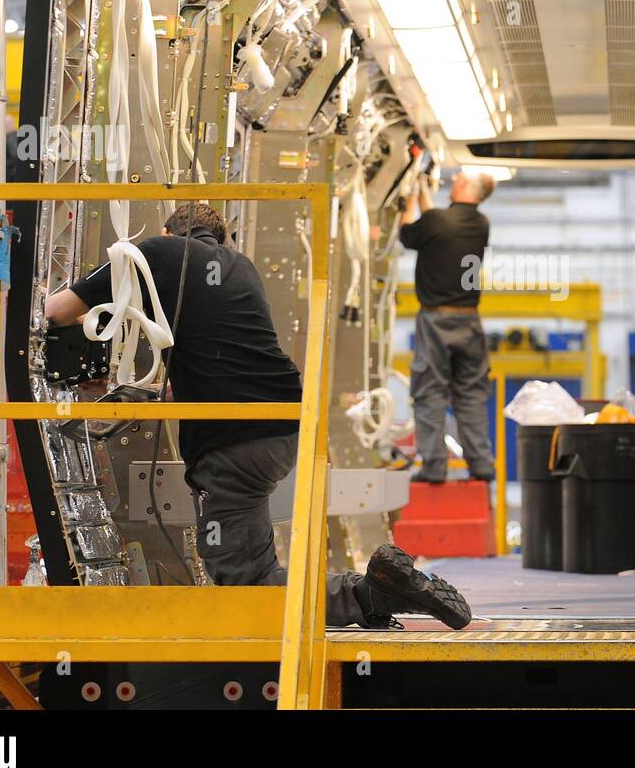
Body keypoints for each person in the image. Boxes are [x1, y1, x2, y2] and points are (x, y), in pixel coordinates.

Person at [44, 202, 471, 629]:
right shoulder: (242, 267)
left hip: (236, 440)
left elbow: (54, 311)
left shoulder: (155, 253)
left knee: (244, 582)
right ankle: (372, 592)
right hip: (280, 425)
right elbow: (227, 363)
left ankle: (372, 593)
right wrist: (154, 393)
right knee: (251, 561)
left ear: (168, 232)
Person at [400, 169, 497, 484]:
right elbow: (436, 226)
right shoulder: (480, 224)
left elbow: (409, 233)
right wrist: (427, 196)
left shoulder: (438, 222)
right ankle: (481, 465)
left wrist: (411, 198)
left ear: (468, 185)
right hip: (469, 321)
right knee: (470, 394)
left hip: (435, 321)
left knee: (430, 392)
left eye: (459, 178)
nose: (454, 179)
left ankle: (434, 467)